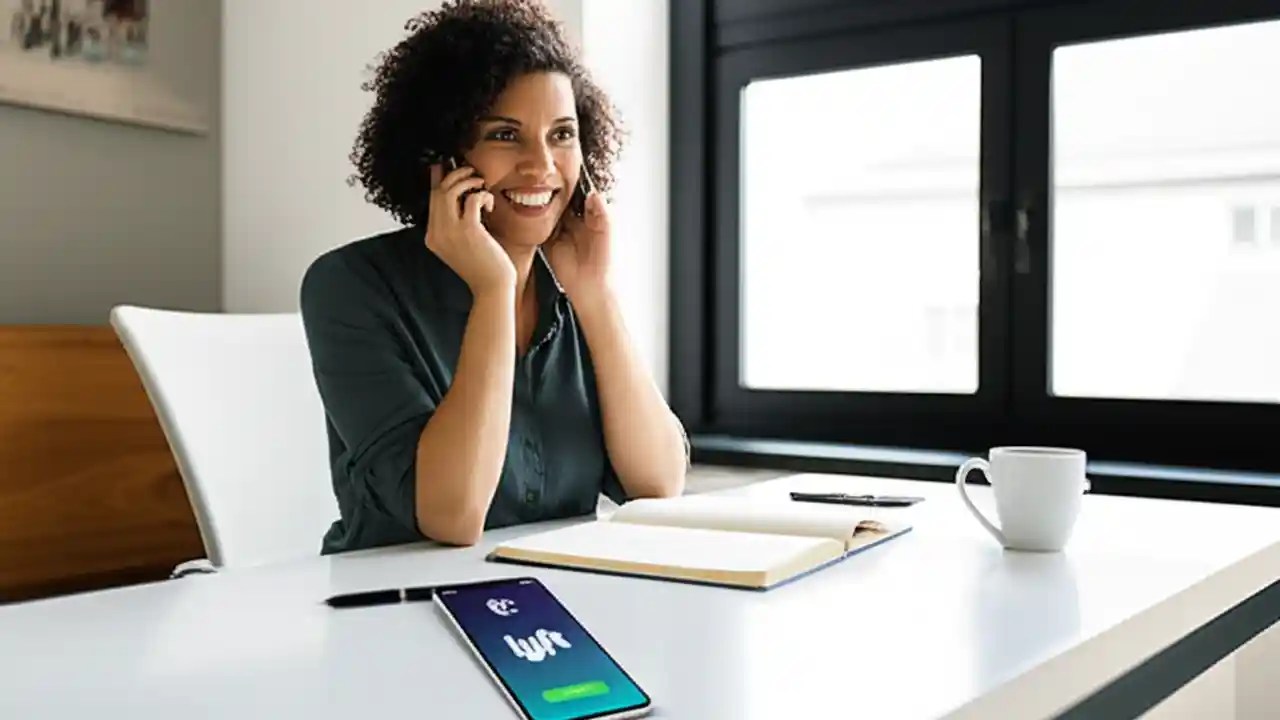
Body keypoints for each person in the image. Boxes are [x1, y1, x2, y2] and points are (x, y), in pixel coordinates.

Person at [300, 0, 689, 554]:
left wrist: (595, 295)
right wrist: (493, 291)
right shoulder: (349, 286)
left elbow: (659, 485)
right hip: (399, 596)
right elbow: (453, 516)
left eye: (562, 134)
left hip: (550, 593)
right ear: (442, 157)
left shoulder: (574, 294)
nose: (542, 166)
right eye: (505, 135)